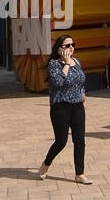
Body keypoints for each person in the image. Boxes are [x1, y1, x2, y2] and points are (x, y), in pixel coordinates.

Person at [36, 34, 92, 184]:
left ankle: (79, 173)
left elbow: (81, 81)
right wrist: (66, 63)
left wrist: (83, 99)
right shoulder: (54, 64)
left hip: (77, 106)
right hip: (61, 107)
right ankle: (46, 164)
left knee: (80, 140)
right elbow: (59, 82)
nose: (71, 48)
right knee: (61, 141)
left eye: (73, 44)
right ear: (60, 49)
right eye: (67, 46)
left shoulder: (77, 62)